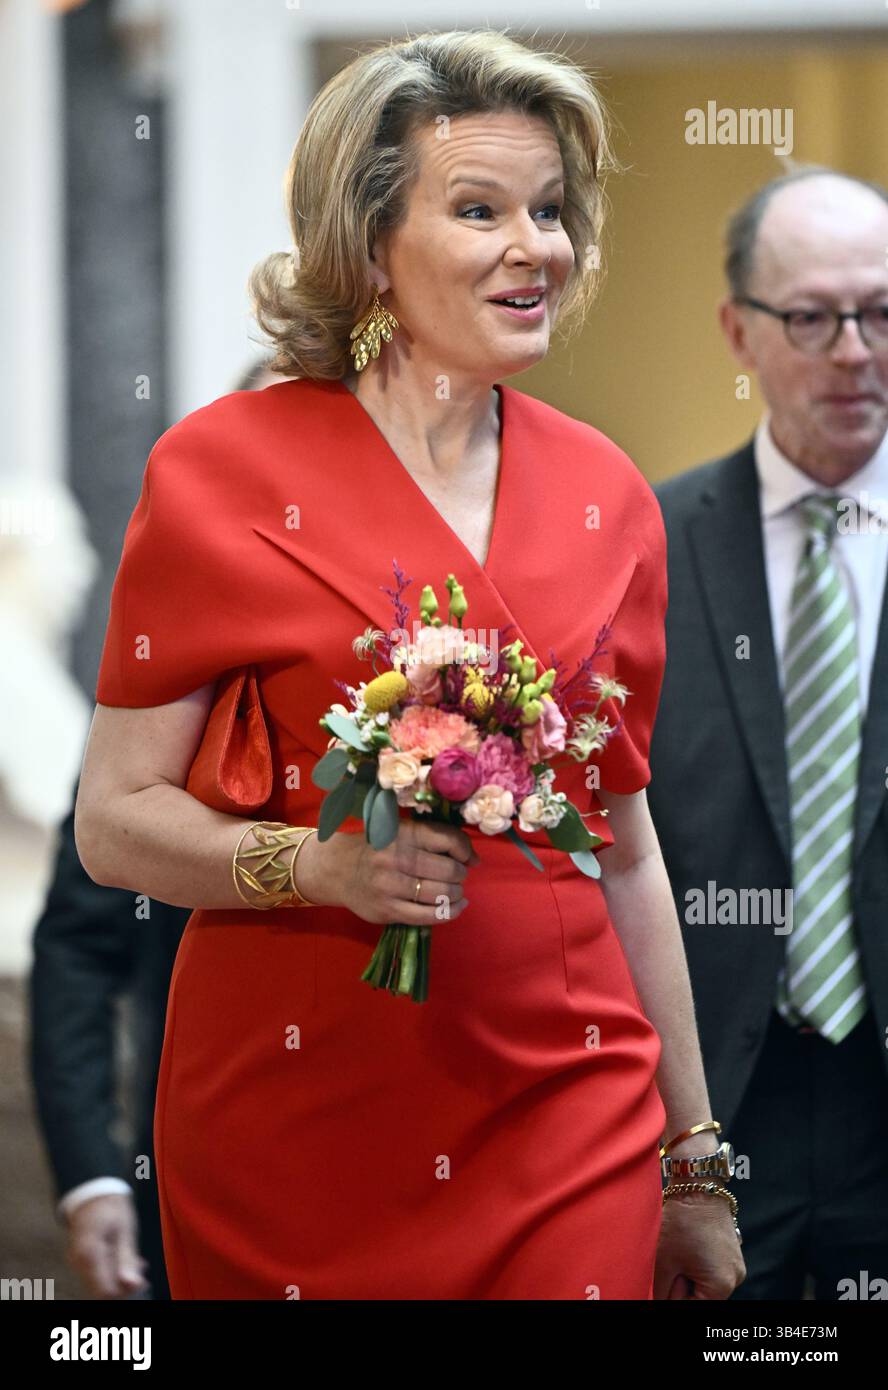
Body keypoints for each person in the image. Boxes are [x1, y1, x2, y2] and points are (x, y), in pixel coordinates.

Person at [74, 28, 744, 1300]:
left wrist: (694, 1160)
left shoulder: (609, 493)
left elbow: (630, 850)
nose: (535, 245)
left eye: (549, 210)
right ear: (368, 242)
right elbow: (114, 822)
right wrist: (314, 864)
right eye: (480, 207)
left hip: (563, 1103)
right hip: (292, 1117)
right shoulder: (217, 473)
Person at [649, 166, 888, 1299]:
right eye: (812, 316)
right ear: (737, 327)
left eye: (882, 310)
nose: (854, 348)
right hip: (716, 1114)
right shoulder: (646, 543)